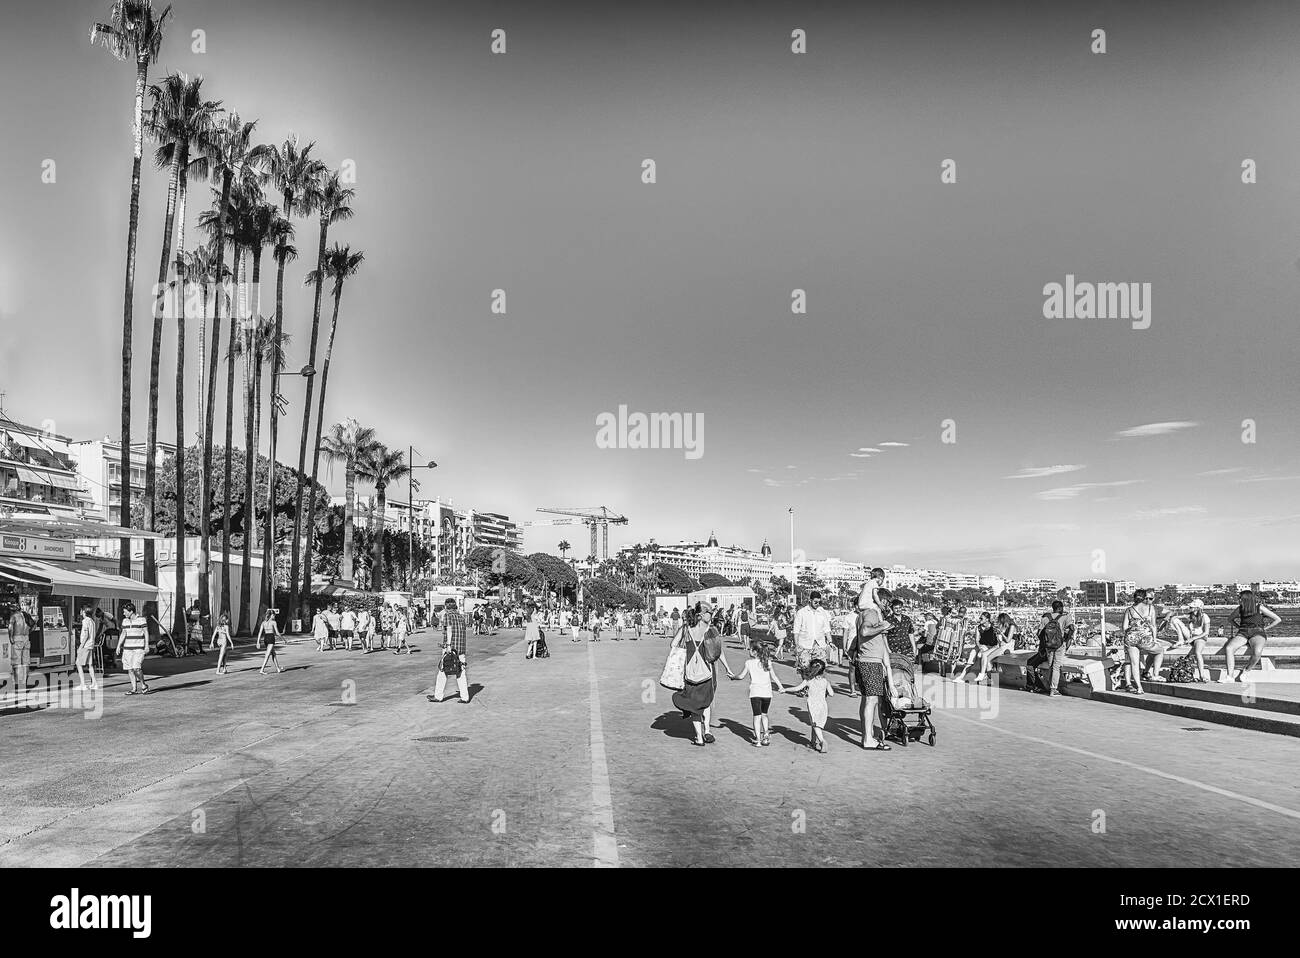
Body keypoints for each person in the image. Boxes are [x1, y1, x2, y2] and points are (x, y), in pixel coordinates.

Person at [670, 603, 734, 746]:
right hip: (707, 673)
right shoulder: (711, 631)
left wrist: (686, 651)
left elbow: (673, 645)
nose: (711, 615)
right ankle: (707, 731)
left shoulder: (686, 629)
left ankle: (699, 737)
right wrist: (727, 668)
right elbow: (718, 652)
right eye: (709, 613)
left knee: (694, 706)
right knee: (706, 702)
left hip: (689, 672)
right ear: (701, 615)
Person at [853, 603, 897, 750]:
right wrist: (883, 626)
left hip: (866, 661)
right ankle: (868, 739)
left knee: (867, 699)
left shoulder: (863, 614)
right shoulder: (871, 612)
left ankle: (868, 734)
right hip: (870, 662)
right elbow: (865, 631)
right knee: (871, 700)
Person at [731, 640, 786, 746]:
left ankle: (758, 740)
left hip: (755, 693)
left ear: (755, 651)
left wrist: (734, 677)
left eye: (751, 649)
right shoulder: (767, 662)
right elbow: (773, 676)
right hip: (767, 694)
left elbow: (741, 676)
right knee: (764, 714)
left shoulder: (749, 663)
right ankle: (765, 734)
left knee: (757, 716)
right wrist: (781, 687)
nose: (749, 650)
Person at [1225, 589, 1282, 682]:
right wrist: (1239, 627)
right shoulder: (1240, 608)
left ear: (1246, 599)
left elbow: (1277, 619)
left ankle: (1247, 670)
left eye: (1240, 598)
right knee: (1229, 648)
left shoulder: (1259, 607)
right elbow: (1230, 619)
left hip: (1257, 632)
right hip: (1243, 632)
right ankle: (1229, 676)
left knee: (1257, 652)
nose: (1239, 600)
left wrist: (1265, 629)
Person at [785, 659, 834, 752]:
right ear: (823, 671)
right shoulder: (825, 681)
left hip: (813, 706)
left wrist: (785, 689)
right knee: (815, 723)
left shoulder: (809, 681)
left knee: (815, 725)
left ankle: (822, 741)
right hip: (823, 705)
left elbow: (797, 688)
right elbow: (831, 694)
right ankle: (813, 742)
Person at [1028, 600, 1074, 697]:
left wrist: (1045, 642)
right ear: (1060, 608)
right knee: (1056, 667)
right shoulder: (1065, 617)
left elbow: (1039, 633)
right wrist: (1066, 640)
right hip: (1059, 645)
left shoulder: (1045, 618)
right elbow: (1072, 629)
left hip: (1048, 646)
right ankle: (1053, 690)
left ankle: (1049, 687)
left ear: (1052, 608)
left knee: (1050, 666)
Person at [1120, 590, 1161, 694]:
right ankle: (1155, 674)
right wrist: (1155, 640)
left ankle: (1139, 688)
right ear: (1144, 598)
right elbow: (1153, 626)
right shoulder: (1150, 608)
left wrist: (1134, 628)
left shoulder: (1129, 610)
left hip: (1131, 638)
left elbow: (1124, 627)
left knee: (1134, 663)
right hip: (1145, 639)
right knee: (1159, 651)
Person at [432, 598, 470, 704]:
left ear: (446, 606)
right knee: (461, 672)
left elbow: (449, 630)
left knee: (442, 671)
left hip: (451, 647)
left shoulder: (448, 616)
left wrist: (448, 645)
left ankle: (438, 696)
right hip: (461, 648)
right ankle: (465, 697)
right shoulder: (461, 617)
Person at [792, 590, 832, 676]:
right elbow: (796, 630)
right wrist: (797, 645)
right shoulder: (801, 612)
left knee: (820, 669)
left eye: (819, 602)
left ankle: (816, 688)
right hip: (804, 645)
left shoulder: (822, 612)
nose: (817, 604)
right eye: (815, 602)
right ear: (810, 600)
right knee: (805, 669)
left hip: (819, 645)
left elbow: (827, 629)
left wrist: (830, 641)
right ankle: (805, 687)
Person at [116, 601, 150, 695]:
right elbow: (123, 633)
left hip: (138, 649)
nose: (123, 613)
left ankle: (143, 685)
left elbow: (146, 632)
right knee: (129, 669)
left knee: (136, 668)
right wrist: (119, 645)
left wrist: (147, 645)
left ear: (130, 611)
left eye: (125, 611)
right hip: (127, 649)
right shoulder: (125, 621)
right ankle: (134, 688)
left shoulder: (142, 620)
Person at [74, 606, 98, 691]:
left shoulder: (85, 621)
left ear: (84, 612)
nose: (80, 611)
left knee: (78, 663)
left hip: (85, 645)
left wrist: (80, 646)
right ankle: (94, 683)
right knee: (90, 665)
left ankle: (83, 684)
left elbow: (86, 635)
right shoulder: (92, 621)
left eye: (81, 610)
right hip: (91, 645)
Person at [256, 609, 283, 674]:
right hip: (271, 638)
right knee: (267, 655)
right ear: (271, 615)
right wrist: (283, 639)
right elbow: (277, 633)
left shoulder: (263, 622)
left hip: (266, 638)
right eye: (274, 615)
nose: (274, 616)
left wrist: (258, 642)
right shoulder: (274, 622)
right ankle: (262, 670)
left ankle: (278, 668)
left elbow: (260, 632)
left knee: (273, 653)